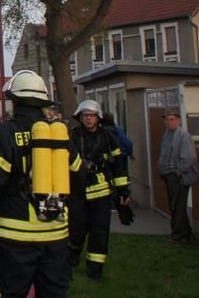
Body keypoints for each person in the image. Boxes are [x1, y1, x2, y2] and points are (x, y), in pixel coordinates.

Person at [0, 70, 81, 298]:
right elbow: (79, 173)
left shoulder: (5, 134)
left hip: (13, 237)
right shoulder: (58, 134)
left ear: (14, 101)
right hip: (55, 235)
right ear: (42, 103)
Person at [67, 100, 131, 281]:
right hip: (78, 191)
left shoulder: (108, 137)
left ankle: (95, 272)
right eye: (85, 116)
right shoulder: (73, 136)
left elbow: (118, 166)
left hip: (101, 194)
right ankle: (71, 260)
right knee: (76, 231)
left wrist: (123, 192)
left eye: (91, 116)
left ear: (98, 118)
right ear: (80, 117)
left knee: (100, 233)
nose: (88, 119)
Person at [158, 107, 198, 242]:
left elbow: (189, 157)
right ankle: (185, 233)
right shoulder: (166, 134)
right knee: (175, 205)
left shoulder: (183, 135)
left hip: (178, 176)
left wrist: (178, 172)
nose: (169, 122)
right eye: (166, 119)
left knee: (178, 206)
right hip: (168, 175)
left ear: (178, 120)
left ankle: (179, 235)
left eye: (172, 119)